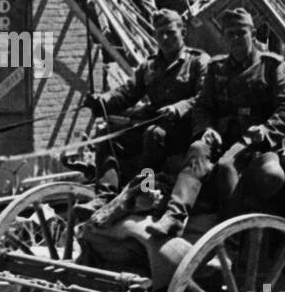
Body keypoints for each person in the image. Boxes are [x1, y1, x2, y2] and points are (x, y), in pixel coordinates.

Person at [146, 6, 285, 237]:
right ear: (224, 38)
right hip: (222, 138)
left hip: (256, 144)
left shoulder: (272, 66)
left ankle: (231, 240)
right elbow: (203, 106)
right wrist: (206, 129)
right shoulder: (216, 67)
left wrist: (266, 130)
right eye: (230, 34)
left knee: (228, 167)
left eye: (241, 32)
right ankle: (175, 216)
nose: (236, 38)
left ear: (253, 34)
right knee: (197, 148)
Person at [81, 10, 209, 190]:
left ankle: (145, 189)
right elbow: (127, 93)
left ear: (183, 32)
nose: (164, 38)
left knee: (153, 134)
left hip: (185, 131)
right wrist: (102, 100)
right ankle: (105, 193)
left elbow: (204, 98)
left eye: (170, 32)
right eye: (159, 33)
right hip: (154, 125)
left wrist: (178, 108)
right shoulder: (149, 66)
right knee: (108, 136)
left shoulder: (198, 62)